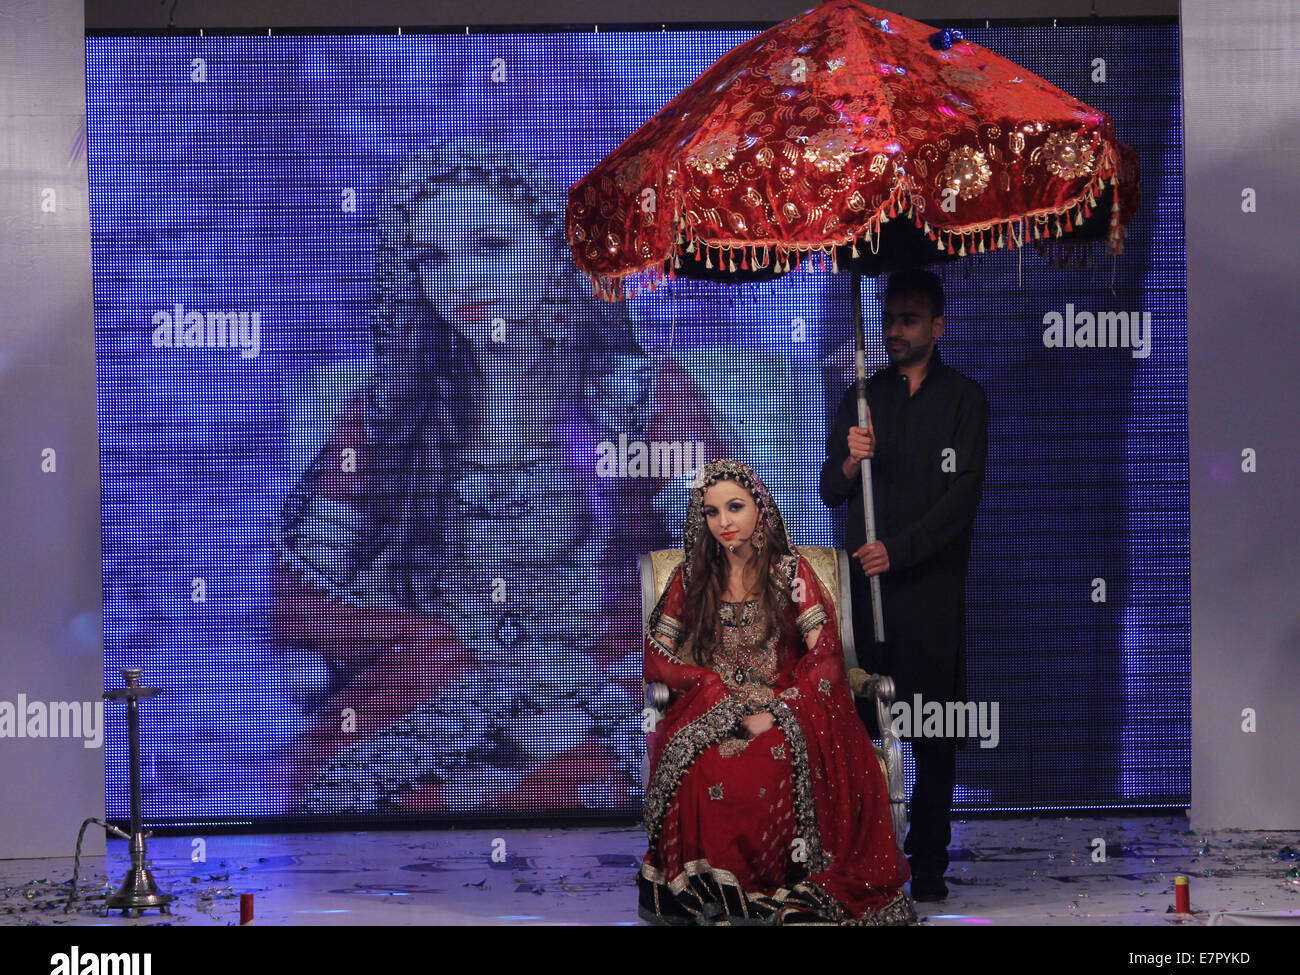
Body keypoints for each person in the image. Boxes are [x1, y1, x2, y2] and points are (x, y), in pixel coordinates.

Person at [269, 141, 732, 814]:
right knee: (368, 798)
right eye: (432, 258)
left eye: (490, 246)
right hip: (441, 686)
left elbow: (729, 559)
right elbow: (302, 582)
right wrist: (437, 650)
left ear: (552, 252)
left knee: (590, 795)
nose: (459, 280)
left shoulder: (636, 393)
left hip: (608, 689)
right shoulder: (392, 409)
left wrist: (586, 686)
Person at [637, 458, 917, 925]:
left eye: (735, 507)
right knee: (701, 763)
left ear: (760, 509)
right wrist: (707, 683)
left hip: (786, 707)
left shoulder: (791, 572)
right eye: (711, 512)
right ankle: (719, 895)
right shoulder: (692, 576)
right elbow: (655, 659)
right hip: (714, 709)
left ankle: (783, 891)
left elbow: (826, 654)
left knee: (764, 758)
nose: (724, 522)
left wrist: (784, 711)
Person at [820, 268, 989, 902]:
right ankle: (865, 856)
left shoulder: (966, 402)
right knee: (862, 728)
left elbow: (961, 499)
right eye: (889, 319)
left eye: (909, 319)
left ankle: (929, 862)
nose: (895, 330)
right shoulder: (861, 399)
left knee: (932, 732)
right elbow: (830, 491)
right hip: (864, 597)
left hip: (930, 595)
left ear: (938, 326)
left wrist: (901, 549)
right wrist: (850, 459)